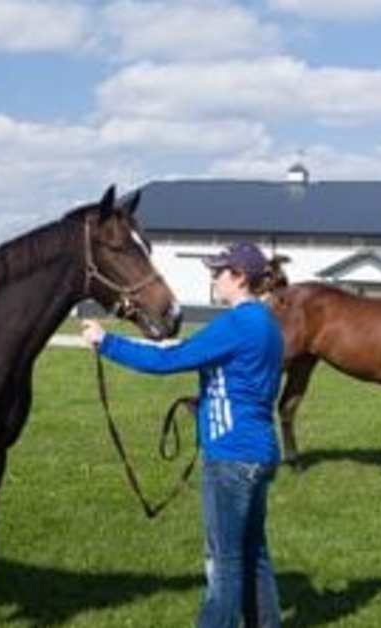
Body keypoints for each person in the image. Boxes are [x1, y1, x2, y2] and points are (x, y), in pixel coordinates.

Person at [81, 241, 283, 628]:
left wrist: (106, 342)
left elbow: (167, 359)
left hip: (231, 457)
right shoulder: (267, 325)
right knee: (253, 554)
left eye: (219, 272)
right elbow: (250, 386)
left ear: (239, 278)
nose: (214, 278)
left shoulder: (237, 323)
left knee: (224, 562)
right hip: (260, 452)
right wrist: (207, 402)